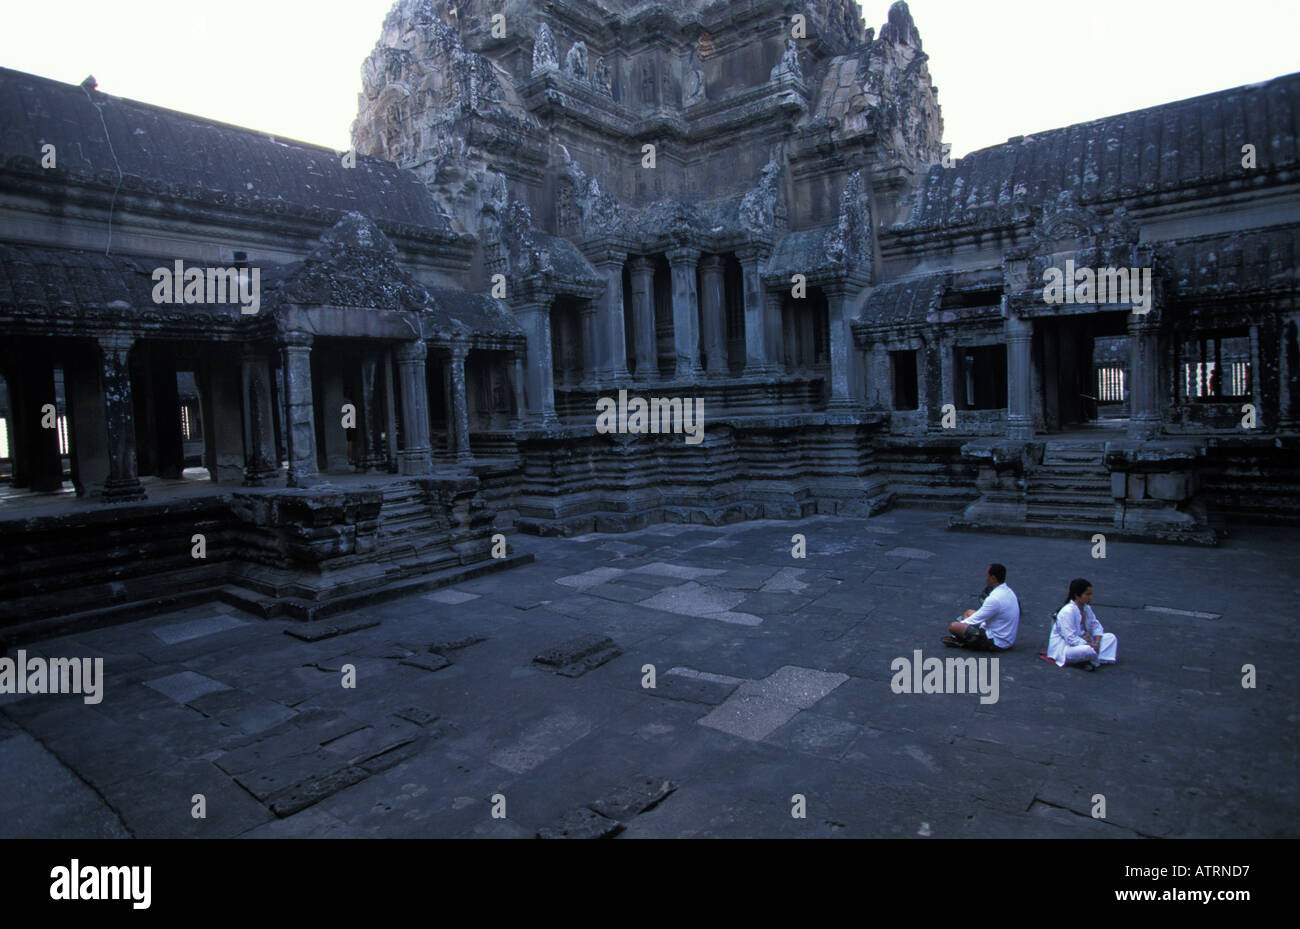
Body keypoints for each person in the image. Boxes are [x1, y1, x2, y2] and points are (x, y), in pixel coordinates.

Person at [942, 563, 1019, 651]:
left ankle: (963, 640)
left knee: (953, 626)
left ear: (993, 578)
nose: (985, 577)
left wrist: (959, 628)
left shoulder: (995, 599)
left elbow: (974, 620)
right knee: (969, 612)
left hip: (997, 642)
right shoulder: (1008, 591)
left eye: (987, 575)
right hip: (1006, 637)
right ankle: (964, 637)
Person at [1048, 578, 1118, 670]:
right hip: (1065, 648)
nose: (1090, 597)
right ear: (1077, 595)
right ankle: (1091, 659)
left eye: (1091, 594)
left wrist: (1096, 642)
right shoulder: (1067, 611)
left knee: (1111, 638)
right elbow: (1070, 639)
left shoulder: (1086, 608)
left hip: (1084, 642)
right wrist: (1090, 645)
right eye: (1087, 594)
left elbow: (1096, 626)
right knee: (1087, 650)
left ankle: (1088, 659)